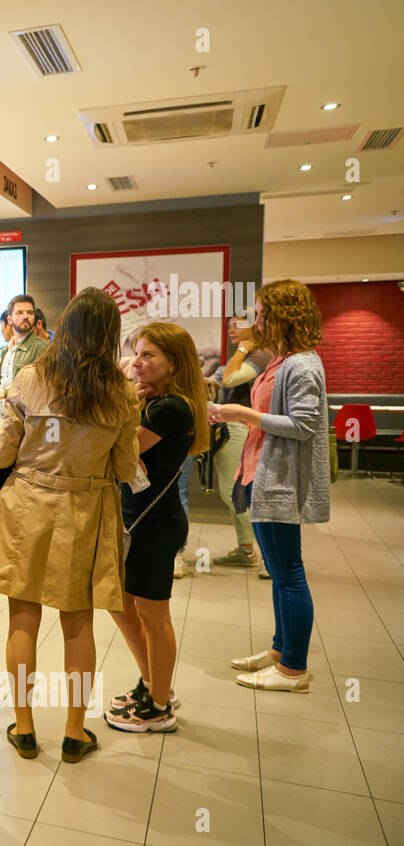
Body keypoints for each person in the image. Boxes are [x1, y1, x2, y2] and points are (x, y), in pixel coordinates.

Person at [0, 287, 141, 763]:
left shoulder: (29, 380)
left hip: (27, 503)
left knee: (22, 617)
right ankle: (74, 732)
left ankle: (24, 728)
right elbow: (127, 467)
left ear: (64, 327)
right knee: (78, 624)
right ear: (110, 336)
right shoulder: (121, 394)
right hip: (86, 511)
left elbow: (4, 453)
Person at [211, 280, 329, 692]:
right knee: (281, 573)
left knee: (288, 574)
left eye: (261, 312)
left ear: (284, 316)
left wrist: (243, 413)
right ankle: (281, 650)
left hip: (278, 479)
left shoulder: (302, 364)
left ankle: (293, 669)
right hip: (263, 474)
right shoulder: (282, 360)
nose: (255, 320)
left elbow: (302, 425)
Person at [105, 322, 209, 733]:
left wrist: (126, 406)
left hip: (155, 522)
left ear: (174, 363)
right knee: (123, 604)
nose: (138, 362)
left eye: (149, 355)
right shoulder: (153, 401)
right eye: (137, 352)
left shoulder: (172, 407)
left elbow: (115, 448)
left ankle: (160, 706)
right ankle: (152, 683)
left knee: (152, 612)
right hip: (138, 518)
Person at [207, 314, 274, 574]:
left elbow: (230, 379)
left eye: (237, 325)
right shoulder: (249, 355)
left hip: (241, 427)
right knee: (233, 492)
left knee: (234, 491)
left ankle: (267, 555)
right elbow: (221, 378)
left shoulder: (257, 355)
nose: (231, 330)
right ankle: (247, 549)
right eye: (229, 326)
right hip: (233, 427)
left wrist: (244, 348)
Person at [0, 296, 48, 418]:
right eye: (20, 313)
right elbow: (6, 381)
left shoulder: (42, 347)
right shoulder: (5, 350)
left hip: (24, 423)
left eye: (30, 313)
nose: (26, 316)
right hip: (2, 418)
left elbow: (40, 387)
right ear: (10, 319)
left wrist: (5, 393)